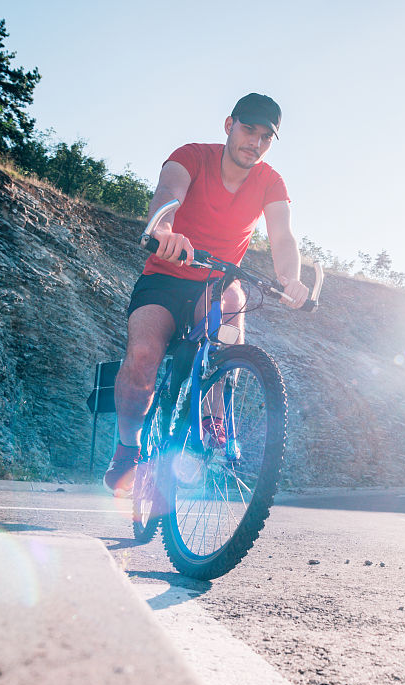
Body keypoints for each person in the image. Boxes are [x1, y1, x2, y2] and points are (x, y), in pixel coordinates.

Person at [104, 93, 309, 496]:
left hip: (216, 280)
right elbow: (168, 194)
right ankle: (128, 446)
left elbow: (283, 235)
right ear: (229, 124)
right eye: (249, 129)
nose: (256, 142)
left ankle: (216, 418)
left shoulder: (270, 181)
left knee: (230, 306)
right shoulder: (192, 155)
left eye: (266, 136)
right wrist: (163, 230)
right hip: (165, 275)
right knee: (143, 355)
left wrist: (291, 278)